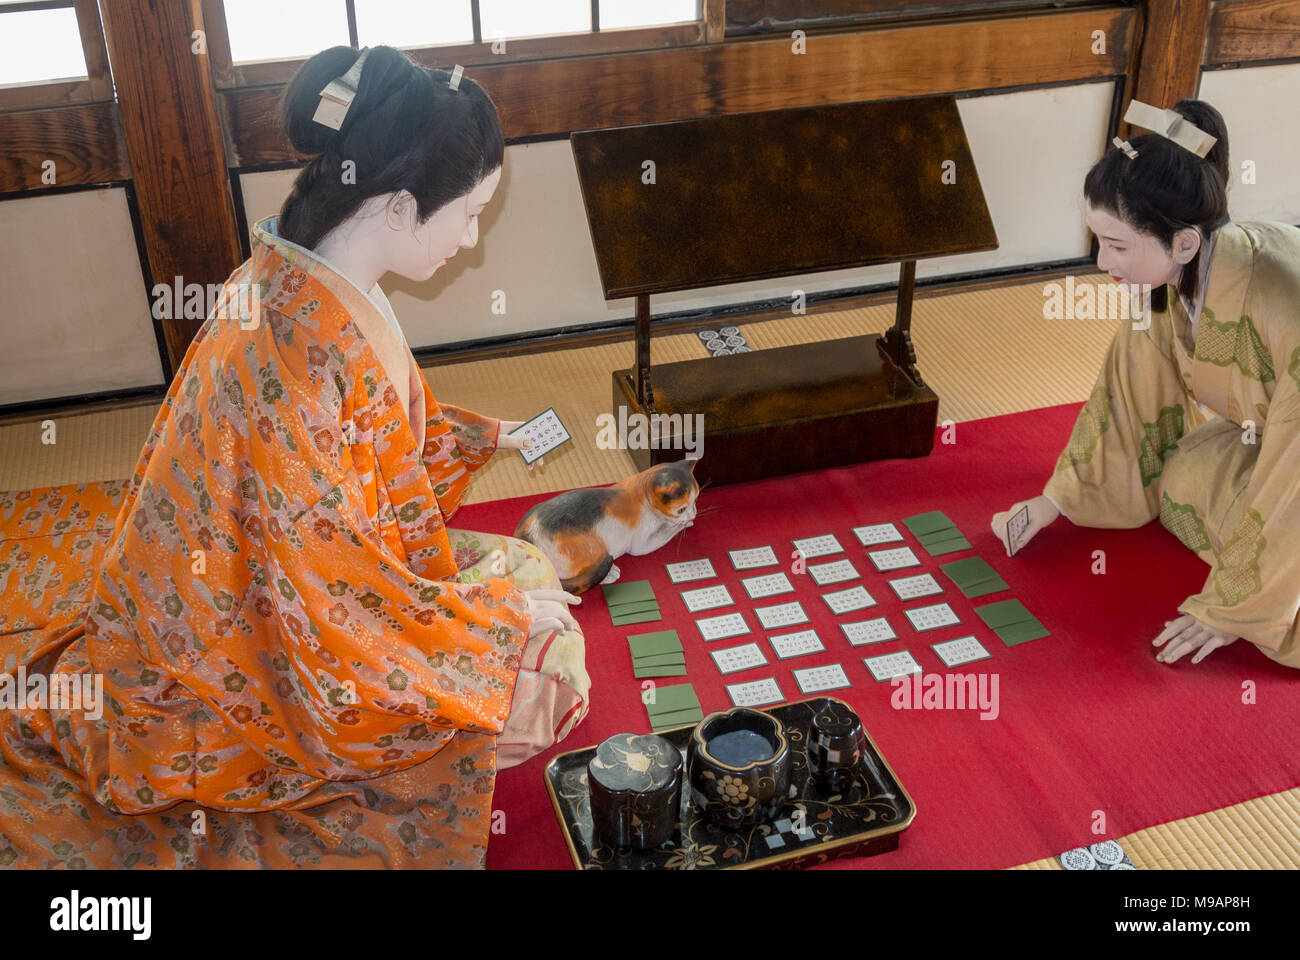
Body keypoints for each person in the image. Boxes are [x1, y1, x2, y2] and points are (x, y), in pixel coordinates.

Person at [0, 45, 590, 869]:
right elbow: (326, 590)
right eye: (470, 212)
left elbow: (371, 454)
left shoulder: (306, 269)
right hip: (237, 645)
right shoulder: (296, 347)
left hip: (264, 576)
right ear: (396, 207)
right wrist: (476, 636)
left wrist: (489, 446)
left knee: (529, 595)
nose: (472, 237)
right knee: (531, 679)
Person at [992, 98, 1300, 670]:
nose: (1102, 263)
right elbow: (1128, 394)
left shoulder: (1283, 301)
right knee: (1177, 475)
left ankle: (1270, 597)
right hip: (1276, 445)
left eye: (1116, 246)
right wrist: (1057, 499)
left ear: (1182, 242)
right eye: (1098, 241)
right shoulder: (1178, 275)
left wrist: (1233, 606)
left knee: (1281, 598)